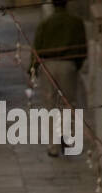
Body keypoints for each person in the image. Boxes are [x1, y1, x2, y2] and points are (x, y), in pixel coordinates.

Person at [30, 0, 87, 156]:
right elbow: (82, 48)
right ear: (66, 4)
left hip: (48, 66)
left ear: (53, 5)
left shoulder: (45, 23)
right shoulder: (76, 23)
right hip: (68, 65)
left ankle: (53, 147)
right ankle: (67, 138)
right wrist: (76, 65)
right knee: (69, 104)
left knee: (50, 106)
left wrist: (33, 69)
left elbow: (36, 48)